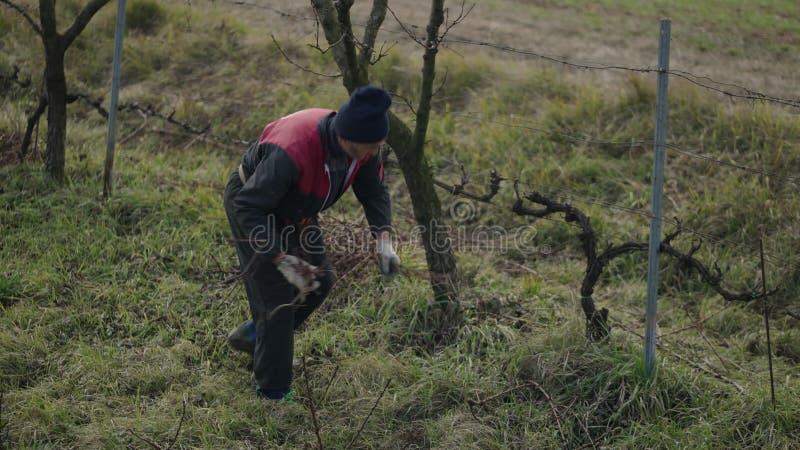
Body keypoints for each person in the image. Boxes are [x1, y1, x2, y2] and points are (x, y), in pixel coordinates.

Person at [222, 85, 401, 401]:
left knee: (318, 281)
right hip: (255, 206)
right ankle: (273, 394)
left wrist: (383, 240)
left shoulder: (363, 147)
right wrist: (281, 258)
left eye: (378, 146)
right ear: (346, 137)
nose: (374, 153)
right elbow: (249, 206)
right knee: (275, 299)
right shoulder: (293, 149)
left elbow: (374, 192)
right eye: (370, 146)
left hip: (298, 211)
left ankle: (255, 335)